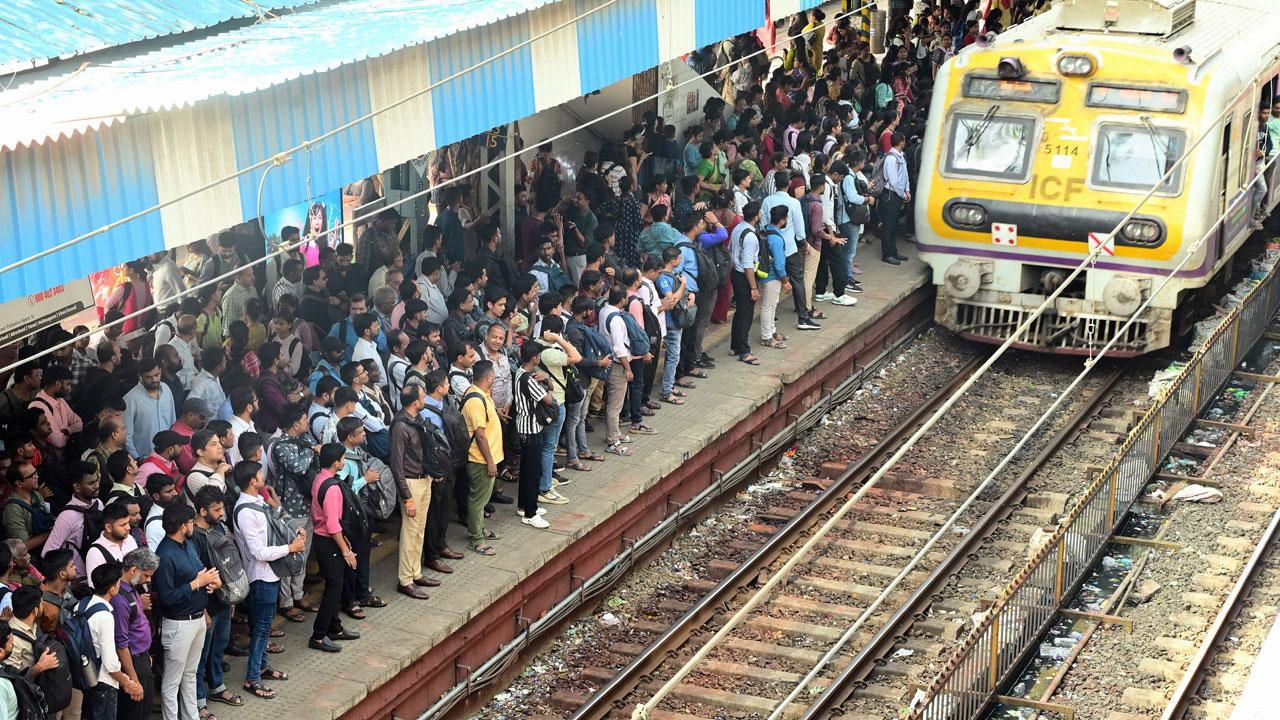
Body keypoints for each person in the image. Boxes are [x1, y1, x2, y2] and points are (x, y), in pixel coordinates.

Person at [232, 461, 305, 699]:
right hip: (260, 576)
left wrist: (294, 536)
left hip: (270, 574)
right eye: (260, 473)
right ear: (253, 480)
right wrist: (290, 547)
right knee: (262, 629)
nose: (263, 475)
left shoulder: (258, 503)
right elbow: (258, 552)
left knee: (265, 625)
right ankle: (252, 677)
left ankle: (262, 666)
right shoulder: (245, 512)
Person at [154, 502, 220, 720]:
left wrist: (210, 581)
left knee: (190, 675)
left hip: (198, 618)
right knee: (172, 682)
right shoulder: (164, 555)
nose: (194, 526)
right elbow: (166, 597)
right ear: (183, 526)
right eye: (191, 522)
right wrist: (196, 584)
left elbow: (199, 572)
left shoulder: (188, 545)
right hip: (178, 623)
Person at [190, 486, 241, 714]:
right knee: (201, 655)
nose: (221, 513)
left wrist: (230, 599)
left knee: (218, 648)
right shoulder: (194, 538)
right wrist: (204, 612)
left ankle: (217, 686)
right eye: (217, 509)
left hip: (223, 601)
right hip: (205, 607)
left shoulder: (218, 527)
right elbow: (195, 575)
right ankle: (199, 701)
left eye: (222, 508)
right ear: (202, 511)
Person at [309, 443, 360, 653]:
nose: (344, 461)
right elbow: (332, 525)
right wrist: (346, 550)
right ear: (336, 462)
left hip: (322, 540)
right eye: (342, 458)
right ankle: (319, 635)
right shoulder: (332, 488)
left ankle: (335, 627)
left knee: (334, 584)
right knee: (334, 588)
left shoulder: (319, 479)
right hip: (328, 541)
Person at [388, 385, 436, 599]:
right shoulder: (400, 426)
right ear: (415, 402)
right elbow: (397, 464)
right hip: (411, 483)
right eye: (423, 396)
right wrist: (407, 497)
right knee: (410, 532)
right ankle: (405, 579)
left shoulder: (415, 419)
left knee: (420, 529)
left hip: (424, 478)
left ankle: (415, 572)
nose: (425, 398)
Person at [84, 562, 145, 719]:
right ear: (112, 588)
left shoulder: (84, 605)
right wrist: (128, 683)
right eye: (118, 582)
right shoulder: (105, 617)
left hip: (87, 677)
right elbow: (110, 664)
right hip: (104, 683)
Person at [760, 171, 819, 330]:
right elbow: (800, 230)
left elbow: (763, 225)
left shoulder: (767, 201)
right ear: (789, 184)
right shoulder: (794, 203)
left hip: (771, 248)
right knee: (797, 281)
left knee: (772, 282)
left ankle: (772, 316)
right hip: (790, 248)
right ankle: (803, 317)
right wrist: (804, 244)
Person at [460, 362, 502, 556]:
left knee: (482, 498)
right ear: (489, 378)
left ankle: (479, 528)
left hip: (486, 457)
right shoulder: (476, 400)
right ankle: (476, 540)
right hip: (480, 459)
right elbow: (480, 435)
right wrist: (490, 462)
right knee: (478, 500)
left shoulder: (481, 394)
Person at [113, 548, 158, 720]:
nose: (148, 579)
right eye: (146, 575)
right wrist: (133, 679)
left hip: (142, 658)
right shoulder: (120, 599)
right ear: (133, 570)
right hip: (133, 662)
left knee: (144, 710)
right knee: (133, 713)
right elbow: (122, 645)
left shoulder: (131, 590)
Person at [43, 462, 102, 579]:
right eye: (91, 483)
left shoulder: (99, 504)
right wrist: (68, 581)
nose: (97, 486)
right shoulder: (66, 517)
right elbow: (47, 553)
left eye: (96, 481)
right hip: (81, 581)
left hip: (101, 575)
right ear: (77, 487)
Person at [729, 200, 763, 364]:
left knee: (740, 312)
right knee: (746, 314)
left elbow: (731, 249)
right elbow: (748, 265)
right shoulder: (750, 236)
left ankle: (735, 346)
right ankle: (744, 350)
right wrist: (754, 287)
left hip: (736, 273)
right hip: (744, 276)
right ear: (756, 216)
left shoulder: (738, 228)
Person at [124, 359, 177, 459]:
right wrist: (137, 458)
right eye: (149, 377)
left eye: (156, 375)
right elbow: (127, 435)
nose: (154, 380)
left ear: (160, 371)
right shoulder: (130, 399)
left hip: (167, 456)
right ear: (140, 376)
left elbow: (172, 422)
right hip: (144, 458)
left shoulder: (166, 389)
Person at [84, 502, 139, 590]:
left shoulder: (129, 539)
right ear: (108, 527)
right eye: (122, 525)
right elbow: (95, 589)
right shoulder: (95, 553)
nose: (128, 527)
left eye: (128, 522)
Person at [759, 206, 792, 350]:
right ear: (782, 220)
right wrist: (785, 281)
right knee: (769, 306)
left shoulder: (767, 230)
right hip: (772, 277)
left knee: (772, 305)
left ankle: (772, 332)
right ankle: (767, 337)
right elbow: (779, 265)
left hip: (766, 275)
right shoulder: (777, 239)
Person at [3, 462, 52, 552]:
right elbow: (22, 546)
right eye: (32, 476)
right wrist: (51, 534)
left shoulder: (36, 495)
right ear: (19, 483)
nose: (37, 477)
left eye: (36, 473)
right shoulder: (12, 509)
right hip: (31, 558)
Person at [880, 131, 911, 265]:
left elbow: (905, 174)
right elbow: (893, 181)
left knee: (895, 225)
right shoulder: (891, 158)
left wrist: (907, 190)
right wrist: (903, 194)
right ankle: (887, 254)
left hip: (898, 194)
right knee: (888, 226)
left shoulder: (901, 156)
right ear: (901, 142)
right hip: (890, 195)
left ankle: (894, 251)